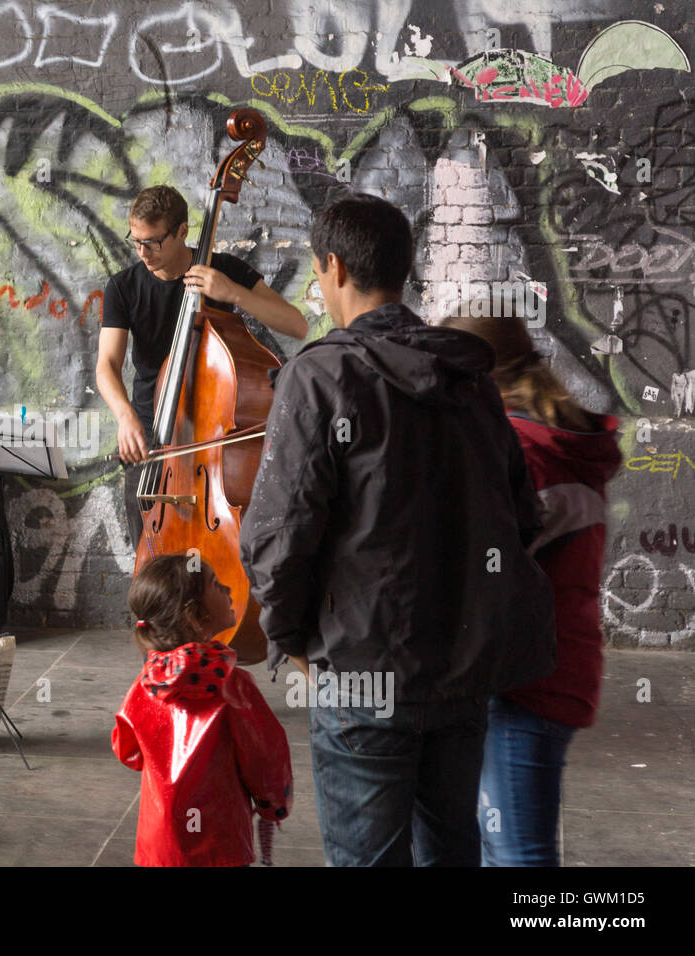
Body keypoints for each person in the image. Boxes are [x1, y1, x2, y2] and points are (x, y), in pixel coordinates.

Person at [239, 192, 556, 867]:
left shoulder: (319, 377)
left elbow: (277, 534)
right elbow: (524, 517)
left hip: (360, 672)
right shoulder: (469, 379)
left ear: (334, 268)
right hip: (461, 671)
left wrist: (289, 638)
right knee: (449, 852)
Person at [442, 308, 621, 866]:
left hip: (526, 682)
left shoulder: (524, 453)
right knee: (507, 846)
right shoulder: (550, 439)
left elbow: (481, 567)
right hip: (549, 668)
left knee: (519, 855)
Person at [96, 185, 307, 544]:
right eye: (136, 241)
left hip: (212, 445)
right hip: (152, 437)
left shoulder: (222, 270)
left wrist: (234, 293)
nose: (143, 252)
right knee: (150, 562)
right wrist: (125, 416)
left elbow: (296, 324)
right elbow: (107, 364)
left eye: (154, 242)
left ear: (182, 231)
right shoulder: (123, 287)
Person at [112, 553, 293, 867]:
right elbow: (266, 756)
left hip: (160, 845)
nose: (230, 590)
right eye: (217, 585)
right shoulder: (234, 685)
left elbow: (127, 750)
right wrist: (273, 806)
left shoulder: (145, 685)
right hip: (221, 842)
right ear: (196, 616)